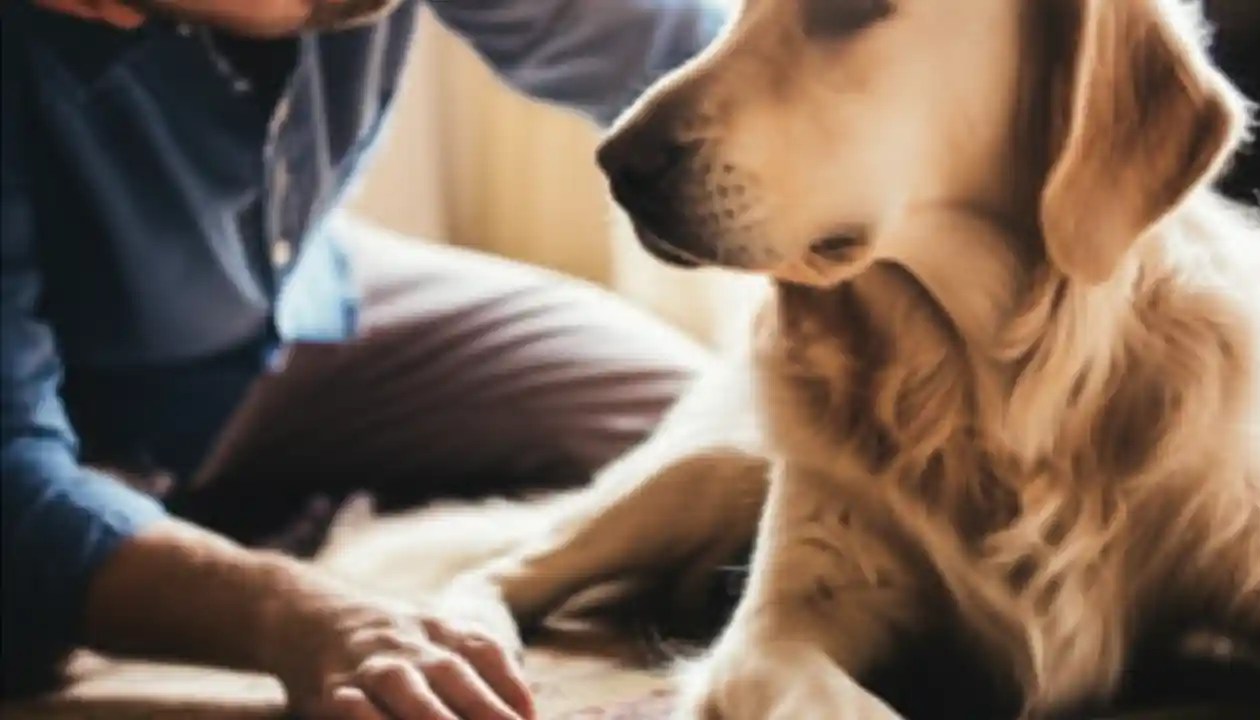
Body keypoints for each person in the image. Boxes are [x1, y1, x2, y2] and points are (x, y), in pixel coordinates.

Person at [1, 1, 725, 717]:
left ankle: (240, 513)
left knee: (701, 437)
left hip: (299, 299)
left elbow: (679, 47)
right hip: (77, 401)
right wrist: (299, 614)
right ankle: (193, 528)